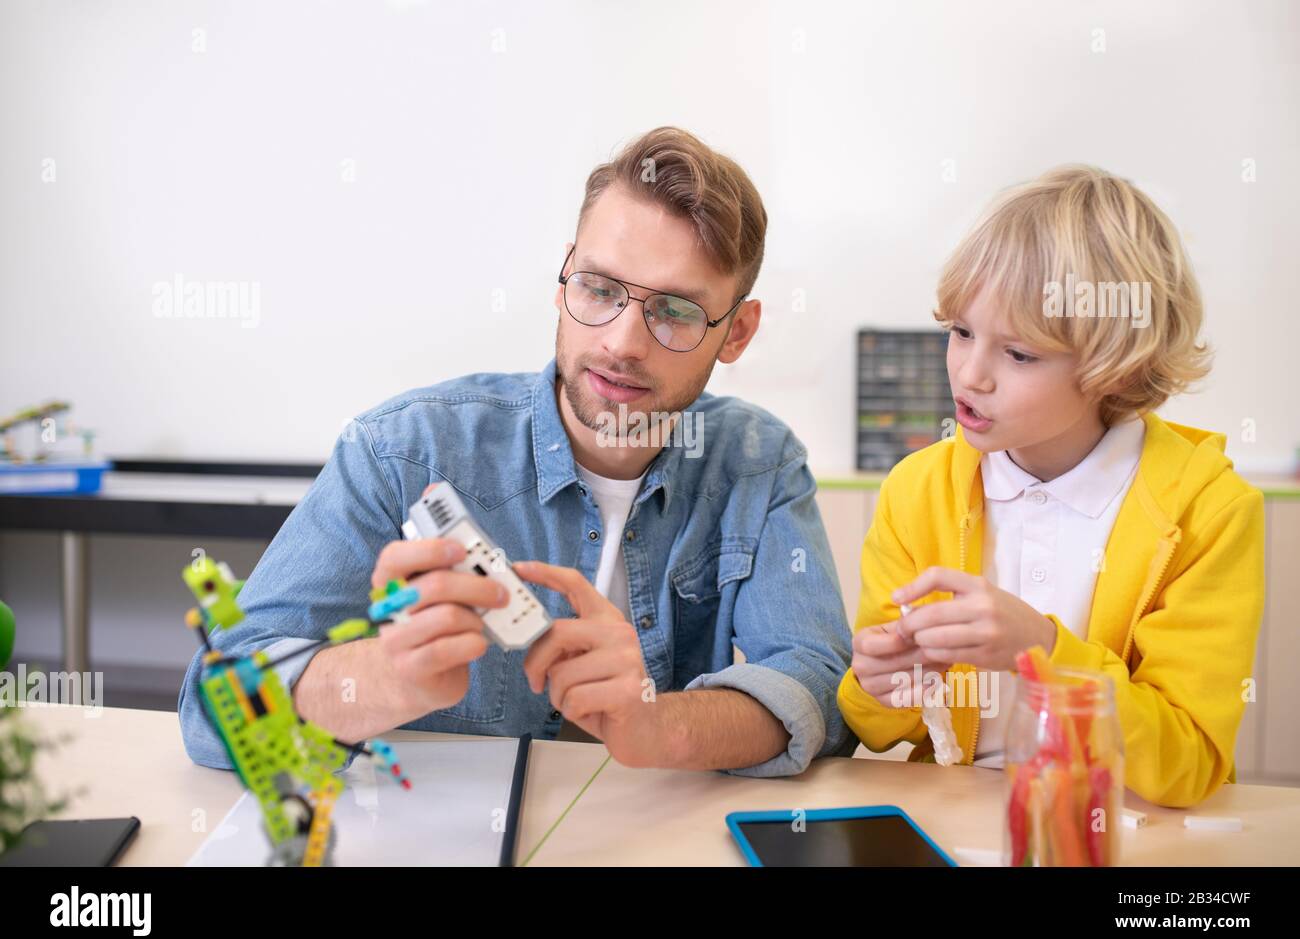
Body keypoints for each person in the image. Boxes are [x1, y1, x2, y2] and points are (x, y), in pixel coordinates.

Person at [180, 127, 855, 777]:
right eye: (599, 288)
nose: (622, 343)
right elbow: (217, 707)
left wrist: (659, 724)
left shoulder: (759, 462)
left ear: (737, 332)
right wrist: (390, 678)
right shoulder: (400, 452)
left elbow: (821, 691)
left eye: (675, 311)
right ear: (564, 279)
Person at [837, 165, 1265, 807]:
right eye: (961, 332)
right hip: (964, 820)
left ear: (1118, 369)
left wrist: (1041, 650)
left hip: (1130, 832)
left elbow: (1187, 763)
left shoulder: (1209, 510)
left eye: (1019, 354)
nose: (970, 374)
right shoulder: (916, 490)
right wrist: (878, 685)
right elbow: (877, 728)